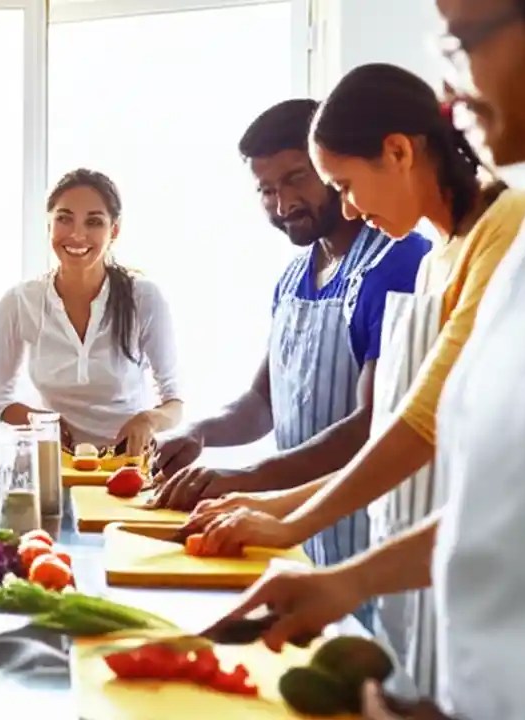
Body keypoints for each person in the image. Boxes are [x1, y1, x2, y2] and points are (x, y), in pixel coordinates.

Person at [209, 0, 525, 717]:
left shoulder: (521, 227)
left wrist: (287, 513)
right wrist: (348, 580)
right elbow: (502, 504)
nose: (450, 95)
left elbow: (413, 426)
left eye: (462, 47)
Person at [181, 63, 525, 697]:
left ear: (398, 153)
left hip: (496, 569)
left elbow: (416, 424)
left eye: (341, 183)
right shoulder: (440, 259)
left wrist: (284, 516)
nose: (347, 207)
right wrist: (269, 505)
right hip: (419, 556)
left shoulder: (504, 232)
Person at [151, 99, 432, 573]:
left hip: (377, 537)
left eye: (295, 179)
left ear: (331, 165)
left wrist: (249, 478)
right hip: (300, 537)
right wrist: (197, 433)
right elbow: (263, 402)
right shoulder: (292, 278)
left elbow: (372, 426)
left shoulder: (398, 263)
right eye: (266, 189)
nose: (283, 205)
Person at [0, 169, 182, 453]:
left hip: (125, 466)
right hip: (53, 464)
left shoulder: (143, 298)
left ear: (113, 230)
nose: (77, 235)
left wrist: (148, 420)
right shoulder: (19, 302)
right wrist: (43, 422)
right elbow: (0, 400)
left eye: (94, 222)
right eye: (64, 219)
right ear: (49, 224)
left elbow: (174, 401)